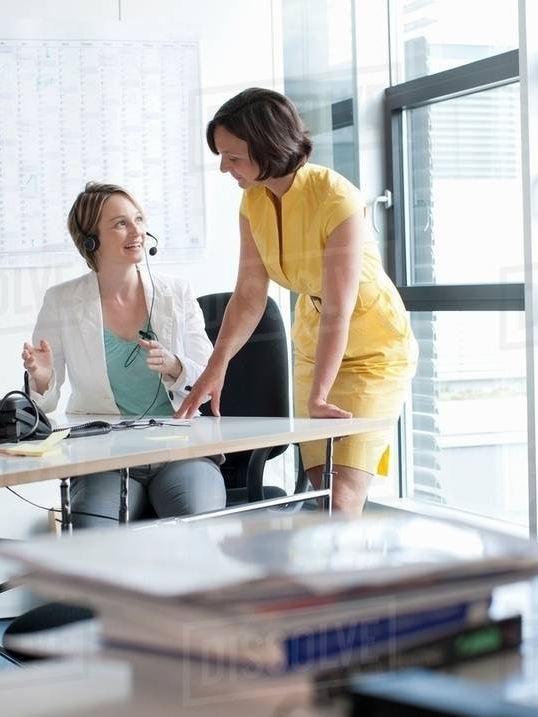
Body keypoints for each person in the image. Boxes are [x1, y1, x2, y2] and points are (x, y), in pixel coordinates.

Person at [176, 88, 418, 516]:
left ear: (266, 144)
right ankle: (330, 579)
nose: (223, 167)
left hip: (373, 349)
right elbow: (250, 294)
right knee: (320, 490)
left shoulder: (337, 197)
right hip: (315, 341)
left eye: (232, 157)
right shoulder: (252, 202)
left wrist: (321, 395)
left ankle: (347, 583)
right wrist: (215, 369)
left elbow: (341, 306)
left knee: (340, 499)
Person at [22, 181, 226, 525]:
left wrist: (176, 366)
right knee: (92, 528)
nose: (138, 232)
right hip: (104, 456)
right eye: (121, 223)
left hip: (179, 449)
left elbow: (209, 373)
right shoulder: (61, 301)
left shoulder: (175, 292)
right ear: (90, 239)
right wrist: (41, 380)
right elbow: (43, 403)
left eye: (139, 219)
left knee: (196, 520)